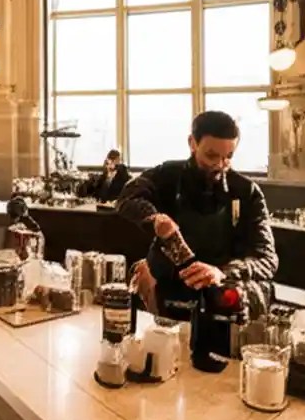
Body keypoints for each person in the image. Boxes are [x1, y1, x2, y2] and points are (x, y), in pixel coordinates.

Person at [116, 111, 277, 319]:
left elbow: (266, 258)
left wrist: (222, 272)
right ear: (192, 143)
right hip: (164, 293)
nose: (219, 165)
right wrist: (154, 219)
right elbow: (127, 197)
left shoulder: (247, 192)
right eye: (211, 156)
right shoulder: (168, 175)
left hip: (219, 298)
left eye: (228, 157)